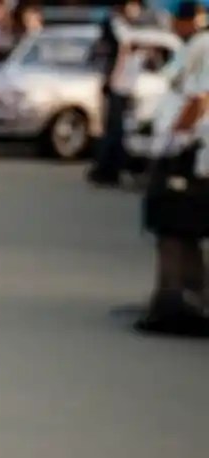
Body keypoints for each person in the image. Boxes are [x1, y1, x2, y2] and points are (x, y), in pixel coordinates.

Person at [136, 0, 209, 334]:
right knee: (188, 229)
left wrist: (175, 138)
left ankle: (172, 301)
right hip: (196, 152)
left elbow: (199, 97)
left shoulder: (204, 45)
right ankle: (195, 297)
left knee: (171, 224)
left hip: (191, 153)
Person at [88, 0, 145, 186]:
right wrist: (113, 78)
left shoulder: (127, 26)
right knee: (114, 128)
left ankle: (111, 169)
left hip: (125, 84)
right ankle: (107, 169)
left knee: (117, 128)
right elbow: (120, 52)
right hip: (118, 83)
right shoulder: (116, 26)